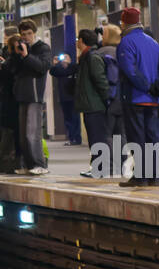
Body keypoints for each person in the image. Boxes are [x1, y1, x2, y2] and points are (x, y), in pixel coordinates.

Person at [116, 6, 159, 187]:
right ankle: (154, 177)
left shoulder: (125, 43)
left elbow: (129, 70)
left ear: (123, 23)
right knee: (152, 137)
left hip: (135, 97)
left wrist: (145, 87)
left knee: (136, 137)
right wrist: (158, 87)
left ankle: (141, 176)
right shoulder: (152, 42)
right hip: (152, 100)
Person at [13, 19, 52, 175]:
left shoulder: (43, 48)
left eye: (29, 33)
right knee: (23, 135)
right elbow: (14, 70)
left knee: (32, 133)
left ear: (34, 33)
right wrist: (17, 55)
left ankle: (39, 164)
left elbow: (43, 67)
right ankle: (29, 165)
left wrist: (27, 56)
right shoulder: (22, 49)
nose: (27, 37)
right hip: (22, 94)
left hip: (35, 95)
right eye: (23, 34)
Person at [73, 28, 111, 176]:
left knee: (98, 139)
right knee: (94, 139)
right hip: (90, 105)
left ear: (82, 41)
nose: (77, 42)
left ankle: (100, 169)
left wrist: (107, 100)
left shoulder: (92, 57)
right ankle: (96, 167)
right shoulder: (85, 57)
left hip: (96, 105)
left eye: (78, 39)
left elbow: (101, 81)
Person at [0, 34, 24, 173]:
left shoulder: (15, 61)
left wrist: (1, 68)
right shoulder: (14, 60)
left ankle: (8, 159)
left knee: (10, 132)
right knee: (10, 131)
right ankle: (7, 158)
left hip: (12, 100)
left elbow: (4, 77)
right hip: (11, 100)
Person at [100, 23, 125, 174]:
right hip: (123, 99)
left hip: (109, 98)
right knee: (120, 134)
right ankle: (121, 163)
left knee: (106, 133)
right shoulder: (123, 52)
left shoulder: (102, 53)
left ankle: (108, 165)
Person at [50, 51, 81, 144]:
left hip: (73, 96)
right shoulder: (59, 70)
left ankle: (77, 138)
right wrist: (55, 64)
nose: (63, 59)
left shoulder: (73, 67)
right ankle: (71, 138)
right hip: (63, 97)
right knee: (67, 119)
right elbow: (53, 72)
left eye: (65, 57)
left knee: (75, 118)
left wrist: (69, 63)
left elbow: (74, 69)